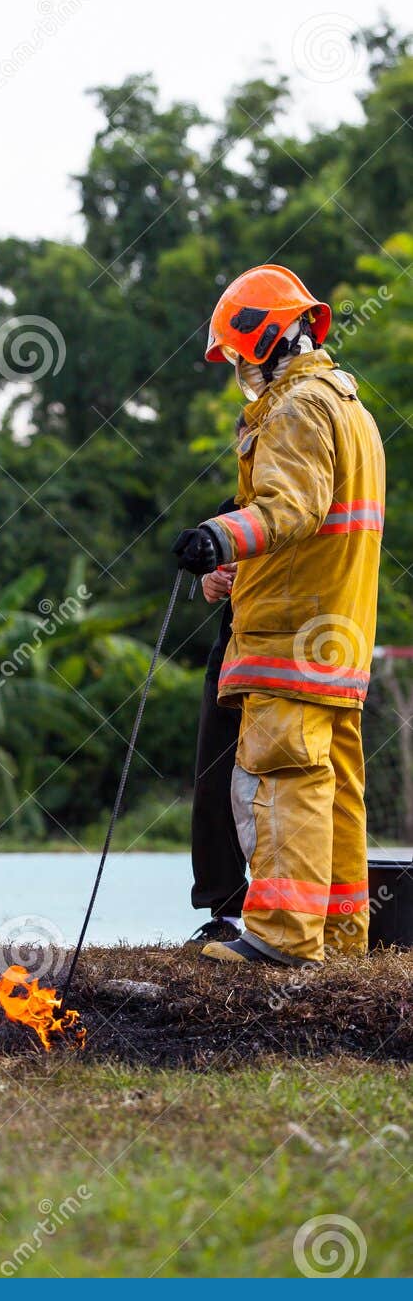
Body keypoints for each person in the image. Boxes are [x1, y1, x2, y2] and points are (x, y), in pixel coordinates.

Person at [172, 264, 386, 968]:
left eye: (241, 356)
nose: (240, 371)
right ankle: (339, 936)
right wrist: (240, 569)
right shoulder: (351, 408)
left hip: (288, 638)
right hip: (337, 638)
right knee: (335, 791)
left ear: (267, 342)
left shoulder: (296, 408)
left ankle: (282, 937)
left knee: (282, 777)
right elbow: (319, 531)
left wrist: (218, 536)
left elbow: (291, 509)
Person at [186, 506, 247, 945]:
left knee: (282, 794)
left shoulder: (305, 500)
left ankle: (293, 913)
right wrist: (211, 580)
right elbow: (212, 577)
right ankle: (224, 912)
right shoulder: (234, 508)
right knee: (213, 787)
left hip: (294, 668)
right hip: (229, 662)